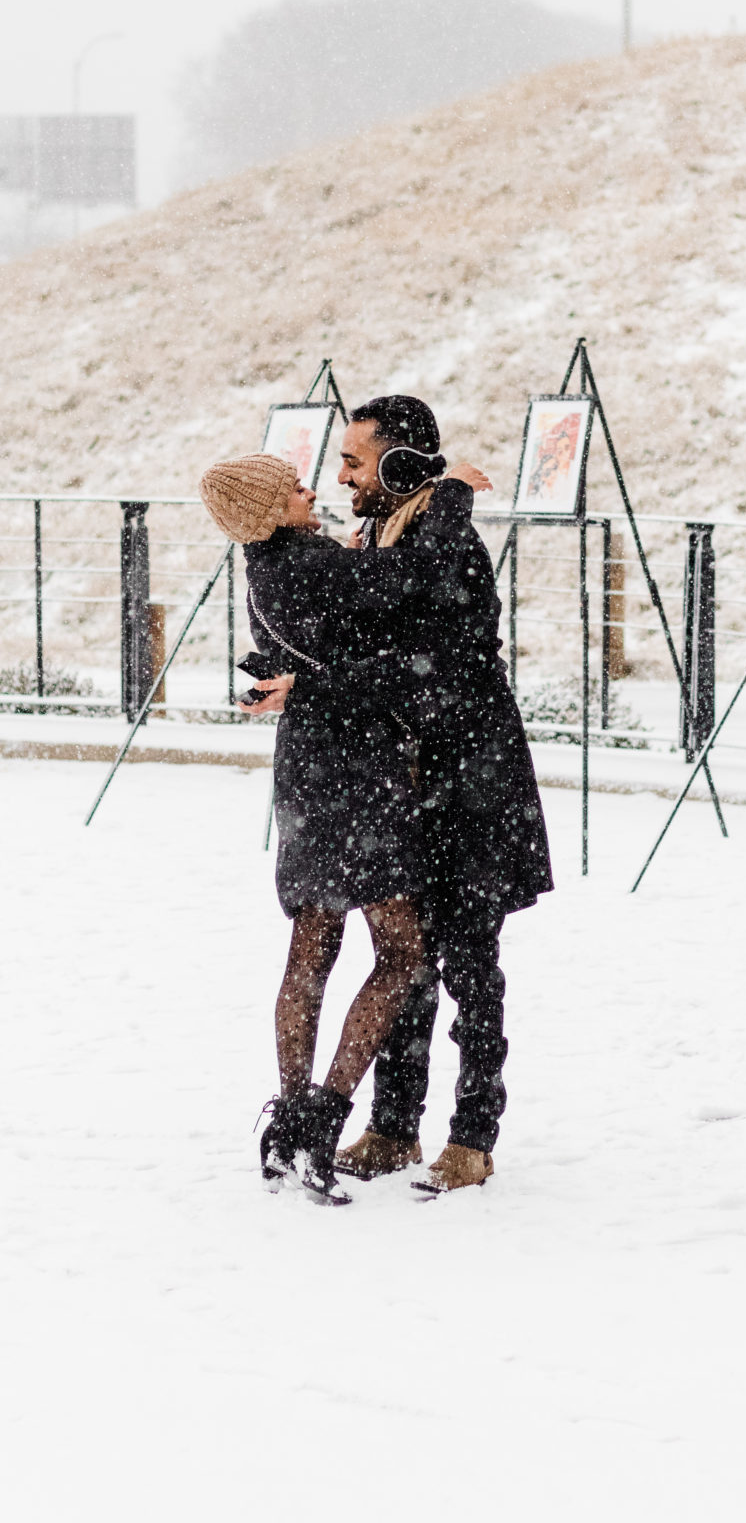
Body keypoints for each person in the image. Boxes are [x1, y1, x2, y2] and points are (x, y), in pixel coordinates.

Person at [251, 396, 554, 1193]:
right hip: (408, 779)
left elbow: (439, 667)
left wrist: (316, 687)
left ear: (398, 464)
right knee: (408, 966)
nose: (339, 476)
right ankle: (391, 1127)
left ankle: (471, 1136)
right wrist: (304, 681)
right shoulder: (385, 534)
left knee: (468, 964)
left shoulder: (438, 542)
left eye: (353, 461)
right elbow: (376, 648)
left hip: (467, 779)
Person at [199, 450, 486, 1204]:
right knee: (400, 953)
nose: (308, 490)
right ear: (266, 509)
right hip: (357, 771)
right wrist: (451, 495)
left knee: (314, 946)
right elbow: (408, 582)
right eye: (290, 488)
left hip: (309, 769)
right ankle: (324, 1116)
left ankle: (290, 1118)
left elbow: (310, 638)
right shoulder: (309, 562)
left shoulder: (270, 564)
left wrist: (294, 673)